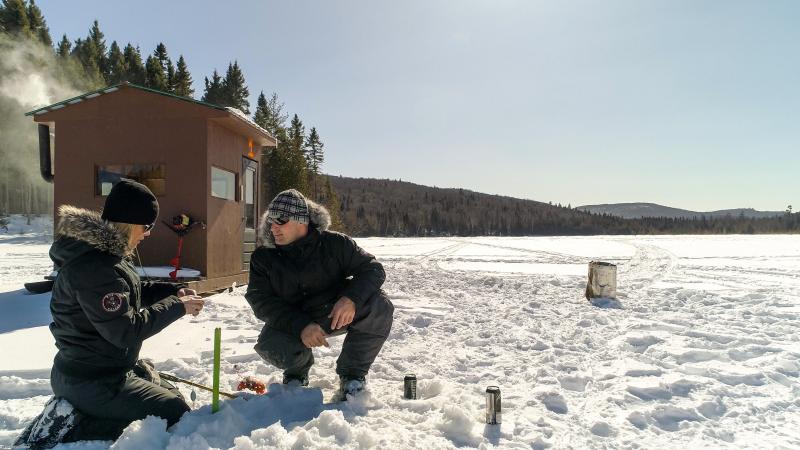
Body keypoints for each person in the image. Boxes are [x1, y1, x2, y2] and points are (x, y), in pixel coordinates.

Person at [21, 179, 205, 446]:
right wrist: (178, 307)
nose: (149, 233)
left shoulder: (106, 256)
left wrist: (173, 291)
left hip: (100, 370)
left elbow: (131, 289)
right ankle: (72, 425)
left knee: (167, 392)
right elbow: (125, 331)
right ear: (129, 224)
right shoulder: (96, 268)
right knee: (174, 412)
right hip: (90, 381)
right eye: (147, 226)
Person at [245, 189, 393, 400]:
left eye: (281, 220)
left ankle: (353, 376)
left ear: (302, 221)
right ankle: (297, 373)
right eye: (270, 220)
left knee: (379, 307)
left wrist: (351, 298)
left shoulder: (336, 244)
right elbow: (260, 300)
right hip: (294, 320)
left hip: (333, 312)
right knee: (271, 344)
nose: (273, 227)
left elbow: (373, 268)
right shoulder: (263, 258)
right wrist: (301, 325)